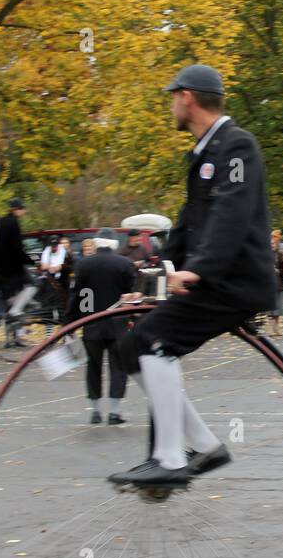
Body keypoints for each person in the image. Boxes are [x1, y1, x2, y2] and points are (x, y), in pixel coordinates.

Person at [108, 63, 274, 485]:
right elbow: (187, 224)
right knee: (131, 348)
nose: (170, 106)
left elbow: (230, 215)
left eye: (171, 97)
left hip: (234, 283)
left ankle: (171, 457)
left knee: (154, 341)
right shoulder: (203, 153)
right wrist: (153, 278)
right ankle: (202, 445)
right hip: (213, 279)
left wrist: (196, 272)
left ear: (187, 97)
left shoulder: (238, 147)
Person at [66, 228, 137, 424]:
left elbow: (78, 296)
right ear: (114, 243)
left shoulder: (83, 265)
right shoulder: (124, 263)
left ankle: (95, 410)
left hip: (91, 322)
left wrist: (69, 323)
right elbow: (133, 294)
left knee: (93, 366)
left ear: (96, 243)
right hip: (118, 323)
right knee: (118, 366)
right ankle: (115, 411)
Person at [0, 197, 35, 347]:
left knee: (9, 301)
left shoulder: (1, 221)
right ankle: (17, 316)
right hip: (12, 269)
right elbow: (16, 248)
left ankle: (12, 338)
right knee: (33, 284)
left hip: (0, 270)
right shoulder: (13, 223)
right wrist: (32, 261)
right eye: (22, 209)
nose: (24, 211)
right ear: (17, 209)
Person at [268, 229, 283, 336]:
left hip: (278, 283)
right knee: (270, 308)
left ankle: (276, 327)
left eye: (274, 243)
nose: (272, 245)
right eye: (270, 243)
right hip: (267, 285)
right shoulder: (265, 256)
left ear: (277, 244)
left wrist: (278, 270)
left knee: (278, 307)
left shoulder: (281, 255)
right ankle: (272, 329)